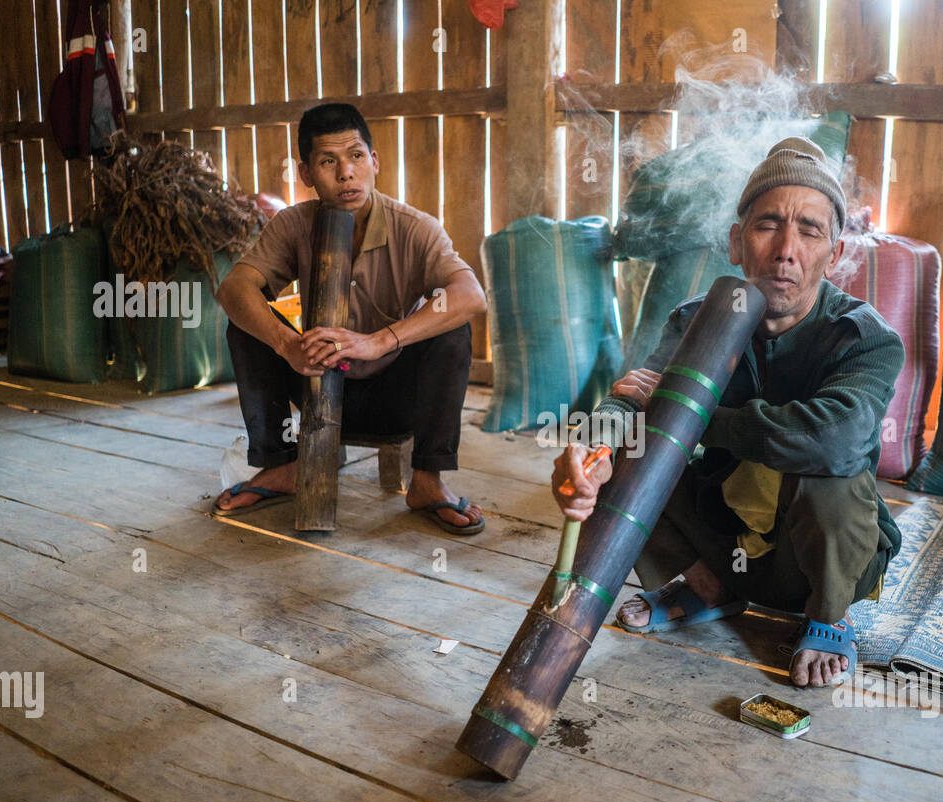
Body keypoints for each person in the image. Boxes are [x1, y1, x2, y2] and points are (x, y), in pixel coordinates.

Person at [551, 136, 904, 687]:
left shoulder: (863, 338)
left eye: (809, 230)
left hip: (815, 560)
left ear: (834, 255)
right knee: (630, 450)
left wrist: (691, 412)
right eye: (768, 225)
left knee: (828, 468)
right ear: (737, 243)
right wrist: (590, 445)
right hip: (724, 542)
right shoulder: (699, 320)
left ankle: (829, 614)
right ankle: (711, 585)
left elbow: (833, 441)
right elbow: (632, 396)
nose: (786, 248)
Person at [213, 102, 488, 534]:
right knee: (248, 323)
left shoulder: (415, 228)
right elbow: (233, 289)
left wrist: (378, 341)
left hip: (394, 397)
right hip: (316, 386)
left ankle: (427, 481)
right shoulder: (292, 225)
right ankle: (281, 466)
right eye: (328, 162)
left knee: (452, 326)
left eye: (356, 156)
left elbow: (470, 296)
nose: (346, 173)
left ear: (374, 161)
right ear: (306, 174)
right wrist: (287, 346)